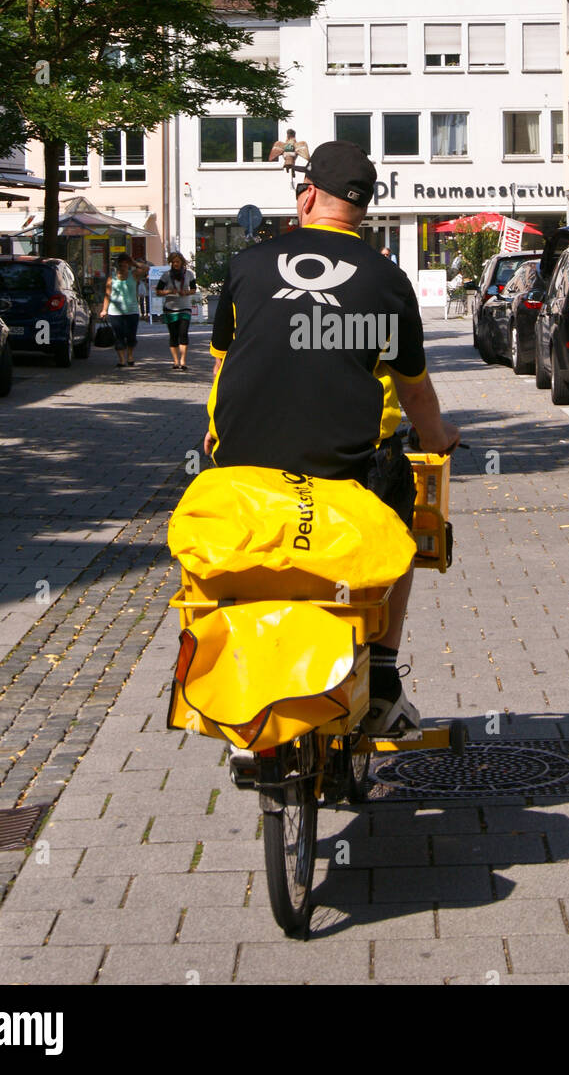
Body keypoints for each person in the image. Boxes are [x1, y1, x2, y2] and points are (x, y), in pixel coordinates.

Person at [203, 140, 460, 734]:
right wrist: (439, 437)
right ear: (364, 210)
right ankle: (385, 680)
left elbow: (221, 370)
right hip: (348, 472)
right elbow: (415, 391)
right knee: (408, 527)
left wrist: (216, 441)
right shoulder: (388, 280)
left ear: (307, 194)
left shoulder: (246, 265)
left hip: (243, 468)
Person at [100, 254, 148, 367]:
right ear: (118, 265)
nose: (123, 266)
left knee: (131, 335)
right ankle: (121, 359)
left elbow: (147, 268)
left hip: (132, 311)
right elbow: (107, 295)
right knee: (119, 336)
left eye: (126, 264)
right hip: (115, 312)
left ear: (128, 264)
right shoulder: (112, 278)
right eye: (121, 264)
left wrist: (134, 263)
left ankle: (130, 356)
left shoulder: (134, 275)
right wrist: (104, 310)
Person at [156, 251, 196, 370]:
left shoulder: (189, 274)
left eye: (177, 262)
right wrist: (168, 291)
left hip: (185, 307)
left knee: (183, 333)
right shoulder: (166, 275)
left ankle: (183, 360)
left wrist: (187, 292)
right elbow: (158, 291)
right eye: (173, 262)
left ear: (182, 262)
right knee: (173, 335)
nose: (175, 264)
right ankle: (175, 361)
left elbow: (194, 289)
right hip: (170, 308)